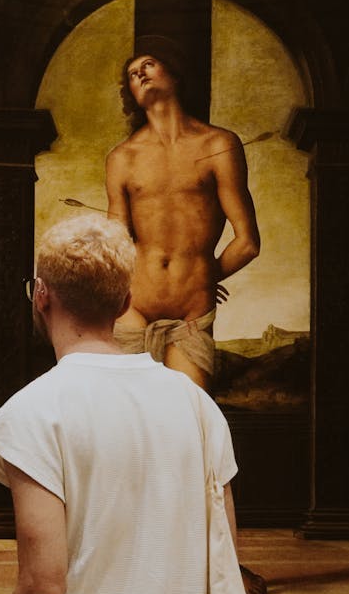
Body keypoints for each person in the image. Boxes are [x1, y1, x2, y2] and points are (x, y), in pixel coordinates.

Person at [0, 214, 245, 594]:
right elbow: (223, 562)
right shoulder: (196, 406)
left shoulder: (35, 412)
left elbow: (42, 588)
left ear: (40, 294)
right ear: (125, 302)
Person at [105, 34, 261, 391]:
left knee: (187, 424)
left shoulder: (219, 145)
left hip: (192, 313)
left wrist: (204, 276)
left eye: (149, 65)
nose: (140, 75)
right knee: (126, 419)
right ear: (130, 93)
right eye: (132, 73)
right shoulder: (122, 158)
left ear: (173, 75)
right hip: (133, 307)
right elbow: (115, 242)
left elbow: (248, 242)